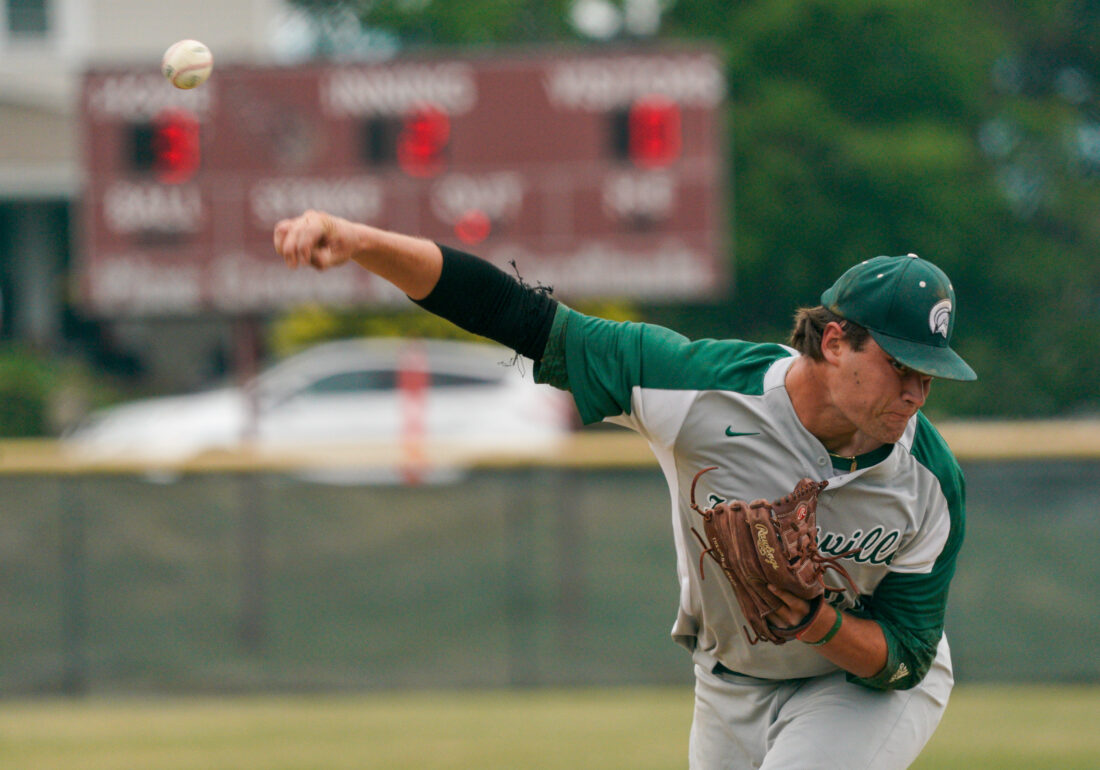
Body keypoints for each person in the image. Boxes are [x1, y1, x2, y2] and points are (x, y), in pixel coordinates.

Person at [273, 210, 977, 769]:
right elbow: (514, 314)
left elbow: (906, 657)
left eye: (929, 373)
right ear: (834, 343)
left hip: (854, 689)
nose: (917, 391)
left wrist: (813, 621)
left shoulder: (929, 482)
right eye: (899, 365)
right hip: (730, 681)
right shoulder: (697, 388)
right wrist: (363, 241)